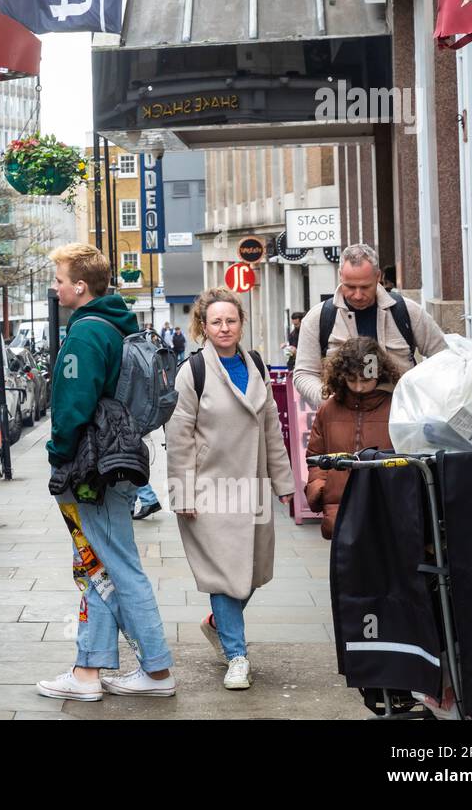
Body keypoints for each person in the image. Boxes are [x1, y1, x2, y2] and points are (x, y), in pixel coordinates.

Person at [36, 243, 176, 702]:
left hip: (91, 468)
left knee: (118, 565)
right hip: (115, 461)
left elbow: (73, 406)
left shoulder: (84, 335)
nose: (55, 288)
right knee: (96, 566)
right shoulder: (116, 325)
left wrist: (58, 453)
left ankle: (157, 670)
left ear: (80, 285)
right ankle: (87, 672)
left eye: (59, 280)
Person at [165, 287, 294, 691]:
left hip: (252, 486)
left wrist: (285, 482)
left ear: (241, 323)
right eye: (216, 321)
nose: (224, 328)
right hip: (210, 489)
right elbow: (179, 435)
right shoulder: (193, 372)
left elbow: (272, 428)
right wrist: (182, 493)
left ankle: (218, 624)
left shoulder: (253, 363)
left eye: (231, 320)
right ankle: (237, 656)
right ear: (203, 326)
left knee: (251, 573)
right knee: (225, 575)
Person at [293, 243, 447, 407]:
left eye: (365, 287)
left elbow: (444, 357)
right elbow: (304, 373)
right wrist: (328, 401)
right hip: (345, 424)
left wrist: (423, 396)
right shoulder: (318, 318)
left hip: (401, 421)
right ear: (340, 277)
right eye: (350, 287)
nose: (358, 295)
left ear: (378, 277)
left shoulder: (408, 311)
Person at [304, 337, 399, 540]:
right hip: (339, 508)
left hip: (388, 507)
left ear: (379, 374)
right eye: (351, 379)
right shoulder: (328, 409)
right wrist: (320, 488)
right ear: (341, 376)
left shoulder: (398, 407)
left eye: (365, 380)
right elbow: (315, 456)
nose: (357, 387)